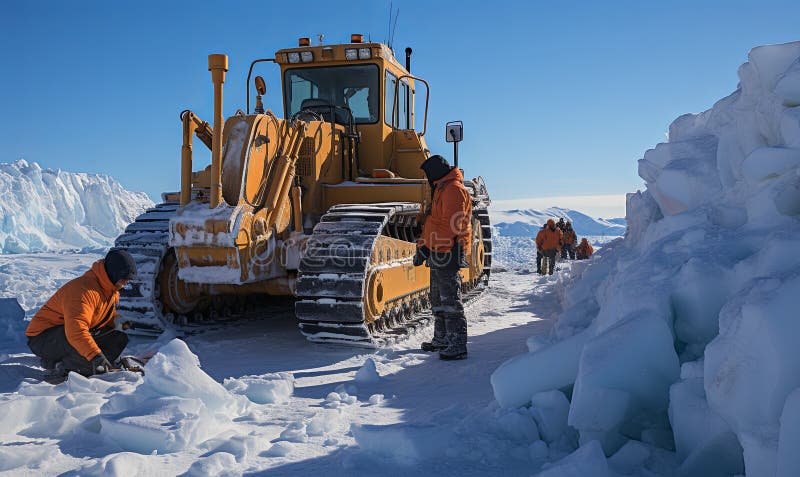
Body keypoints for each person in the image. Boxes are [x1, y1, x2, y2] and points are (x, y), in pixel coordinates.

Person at [26, 249, 137, 377]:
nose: (127, 282)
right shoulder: (83, 291)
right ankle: (63, 365)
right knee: (90, 359)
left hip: (68, 332)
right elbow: (76, 331)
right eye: (125, 278)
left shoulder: (111, 290)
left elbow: (102, 316)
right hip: (42, 338)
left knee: (118, 337)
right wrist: (96, 357)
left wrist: (119, 322)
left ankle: (70, 361)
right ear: (114, 273)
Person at [414, 154, 472, 360]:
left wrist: (429, 247)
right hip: (438, 250)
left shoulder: (454, 190)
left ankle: (457, 344)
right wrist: (423, 246)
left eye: (428, 173)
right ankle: (442, 338)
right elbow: (433, 224)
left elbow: (451, 225)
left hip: (448, 250)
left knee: (450, 299)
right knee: (438, 298)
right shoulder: (442, 188)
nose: (427, 177)